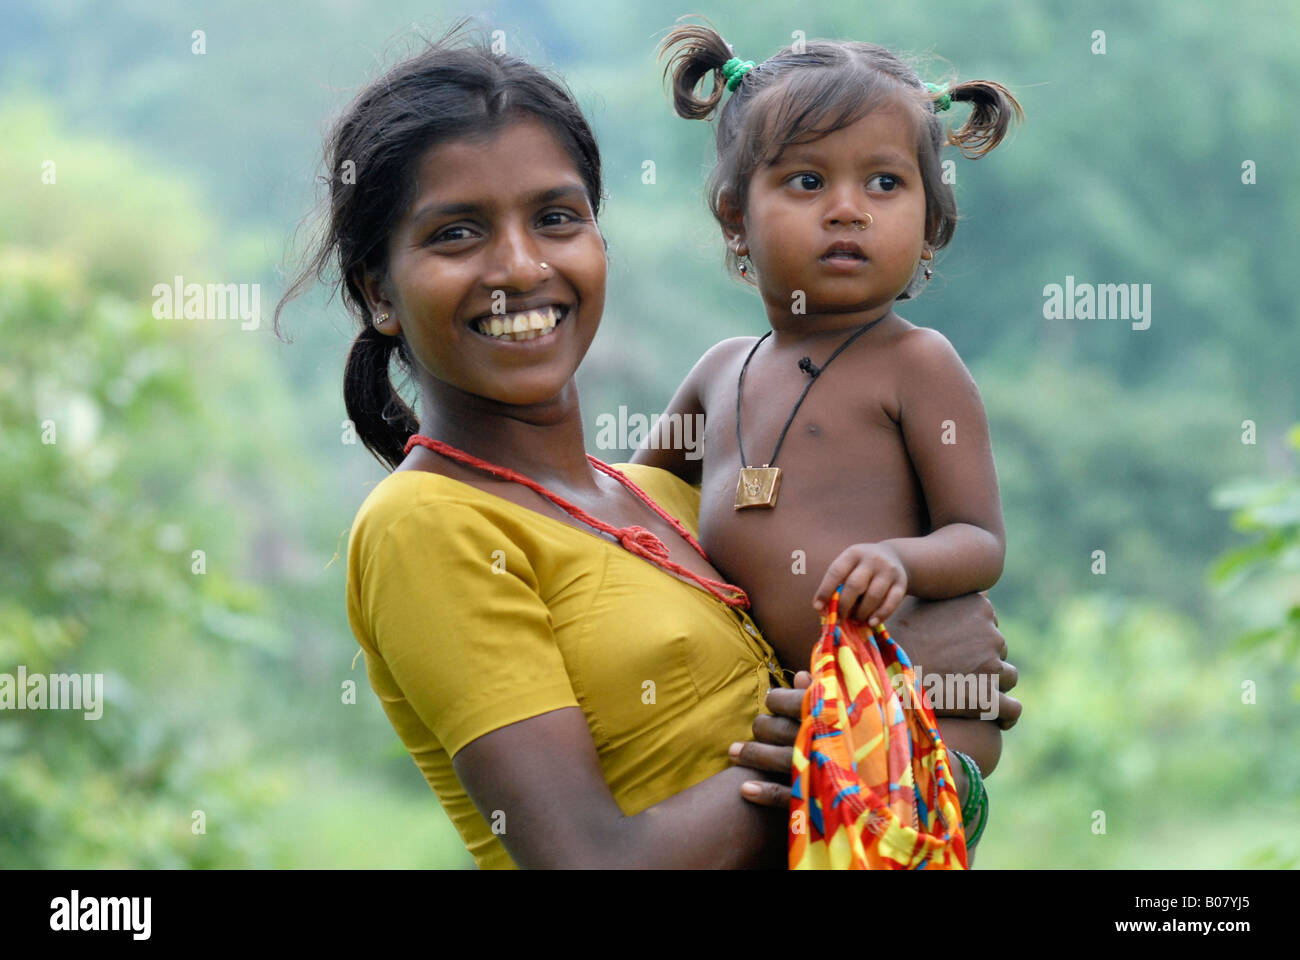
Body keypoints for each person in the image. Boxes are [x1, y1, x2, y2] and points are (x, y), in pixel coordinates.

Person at [275, 27, 1020, 869]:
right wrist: (848, 736)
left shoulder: (668, 496)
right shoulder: (429, 525)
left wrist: (930, 741)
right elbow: (587, 861)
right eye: (456, 234)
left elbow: (898, 707)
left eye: (556, 218)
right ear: (379, 292)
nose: (519, 267)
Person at [634, 24, 1025, 853]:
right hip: (793, 714)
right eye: (807, 180)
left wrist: (899, 561)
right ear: (736, 216)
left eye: (885, 183)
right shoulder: (720, 372)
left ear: (931, 226)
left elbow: (981, 540)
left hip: (916, 707)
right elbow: (629, 503)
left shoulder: (916, 365)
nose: (847, 209)